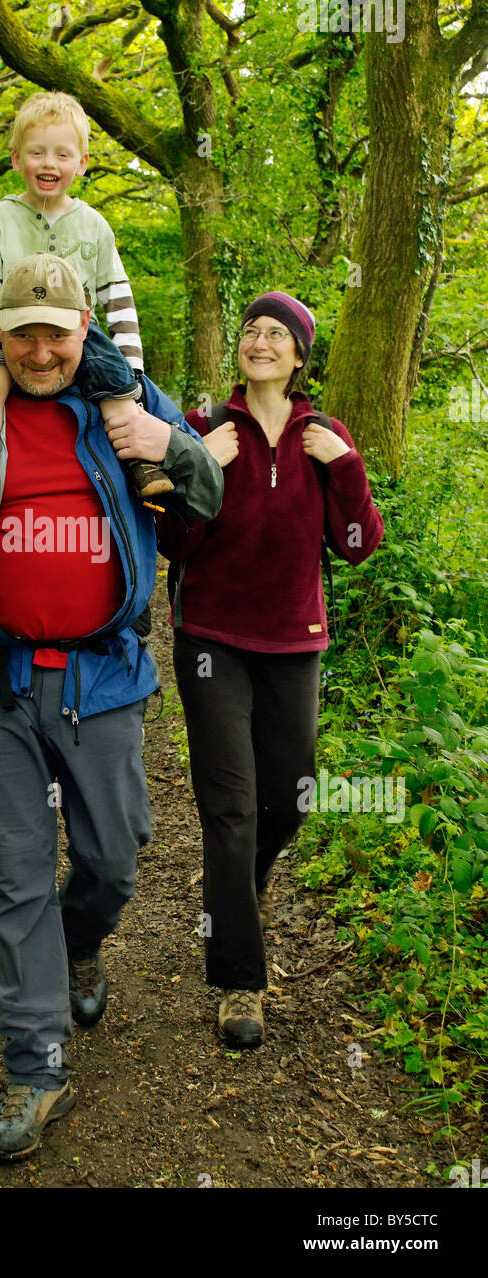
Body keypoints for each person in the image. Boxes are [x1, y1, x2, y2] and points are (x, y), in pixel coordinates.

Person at [0, 253, 223, 1160]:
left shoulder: (128, 401)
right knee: (14, 878)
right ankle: (35, 1070)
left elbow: (208, 502)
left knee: (115, 856)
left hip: (104, 676)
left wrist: (180, 449)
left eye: (57, 332)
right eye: (22, 334)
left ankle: (80, 942)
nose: (40, 351)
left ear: (86, 329)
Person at [156, 291, 384, 1050]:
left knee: (289, 801)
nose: (260, 342)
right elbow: (172, 546)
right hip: (212, 638)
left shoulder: (327, 437)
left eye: (276, 335)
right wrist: (200, 476)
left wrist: (344, 467)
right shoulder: (203, 431)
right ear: (240, 351)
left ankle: (233, 898)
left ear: (297, 358)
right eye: (250, 331)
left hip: (294, 640)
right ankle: (239, 983)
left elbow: (355, 543)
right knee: (230, 810)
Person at [0, 89, 174, 509]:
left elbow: (117, 296)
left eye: (62, 154)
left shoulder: (93, 225)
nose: (49, 164)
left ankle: (140, 465)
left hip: (81, 336)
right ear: (17, 158)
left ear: (82, 162)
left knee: (115, 390)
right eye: (37, 153)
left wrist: (131, 367)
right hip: (12, 337)